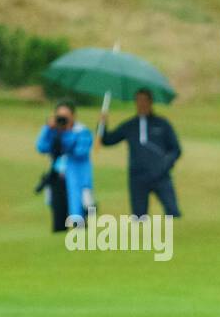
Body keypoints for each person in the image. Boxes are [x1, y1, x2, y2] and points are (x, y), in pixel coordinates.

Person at [100, 88, 182, 217]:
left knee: (173, 212)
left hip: (160, 175)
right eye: (138, 101)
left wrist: (165, 163)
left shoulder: (162, 124)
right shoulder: (130, 125)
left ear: (150, 102)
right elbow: (107, 140)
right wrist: (102, 124)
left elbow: (176, 149)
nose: (141, 104)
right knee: (139, 216)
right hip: (138, 176)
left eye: (144, 100)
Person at [36, 101, 93, 231]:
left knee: (78, 217)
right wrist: (47, 129)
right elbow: (41, 147)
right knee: (59, 220)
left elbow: (80, 151)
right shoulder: (53, 132)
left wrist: (66, 133)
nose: (62, 120)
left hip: (78, 180)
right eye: (59, 117)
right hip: (57, 179)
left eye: (65, 117)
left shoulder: (82, 131)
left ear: (73, 116)